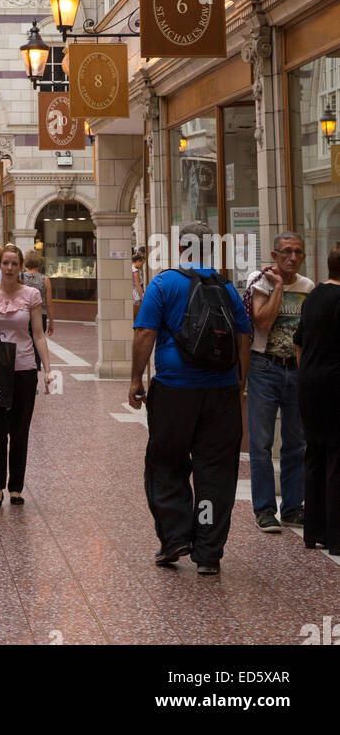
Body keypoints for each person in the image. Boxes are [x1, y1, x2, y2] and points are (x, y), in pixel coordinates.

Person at [130, 220, 252, 575]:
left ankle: (176, 538)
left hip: (174, 391)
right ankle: (208, 552)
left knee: (167, 463)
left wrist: (136, 379)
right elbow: (243, 339)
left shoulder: (164, 283)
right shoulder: (226, 288)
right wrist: (239, 384)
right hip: (220, 393)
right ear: (209, 249)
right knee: (215, 472)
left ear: (179, 248)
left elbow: (145, 334)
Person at [0, 245, 53, 506]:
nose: (9, 268)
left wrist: (48, 370)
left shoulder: (31, 294)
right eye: (5, 263)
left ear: (20, 267)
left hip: (24, 368)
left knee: (20, 430)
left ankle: (16, 487)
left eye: (14, 264)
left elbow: (38, 334)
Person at [246, 231, 313, 532]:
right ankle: (264, 510)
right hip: (264, 368)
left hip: (296, 371)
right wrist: (277, 287)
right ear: (274, 255)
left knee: (296, 443)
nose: (293, 258)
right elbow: (263, 322)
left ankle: (292, 507)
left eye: (298, 252)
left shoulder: (309, 287)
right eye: (286, 252)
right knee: (261, 443)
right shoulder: (260, 281)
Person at [295, 241, 340, 554]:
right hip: (335, 384)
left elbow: (299, 342)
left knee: (314, 453)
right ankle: (337, 537)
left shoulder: (313, 296)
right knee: (337, 457)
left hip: (309, 382)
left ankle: (313, 530)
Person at [21, 250, 52, 335]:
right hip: (41, 315)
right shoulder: (45, 279)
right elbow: (48, 303)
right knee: (38, 343)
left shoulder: (21, 278)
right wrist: (51, 322)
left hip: (24, 314)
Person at [132, 251, 146, 323]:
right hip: (135, 296)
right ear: (138, 261)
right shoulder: (135, 271)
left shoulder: (131, 267)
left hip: (131, 293)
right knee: (136, 316)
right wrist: (142, 297)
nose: (141, 265)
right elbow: (138, 286)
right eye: (142, 263)